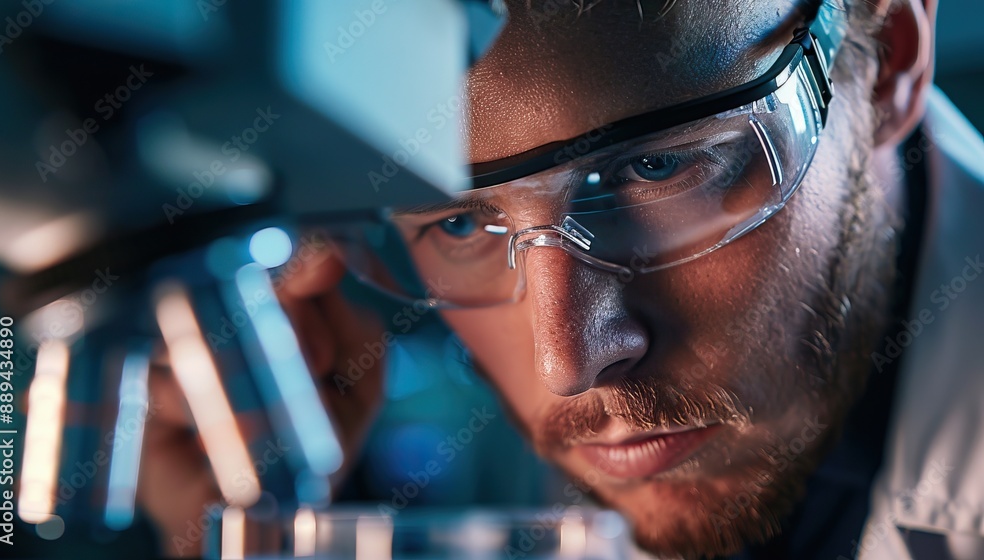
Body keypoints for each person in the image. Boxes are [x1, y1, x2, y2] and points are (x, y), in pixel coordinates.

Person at [143, 0, 984, 558]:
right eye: (461, 223)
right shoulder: (394, 465)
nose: (569, 359)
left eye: (658, 168)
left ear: (890, 59)